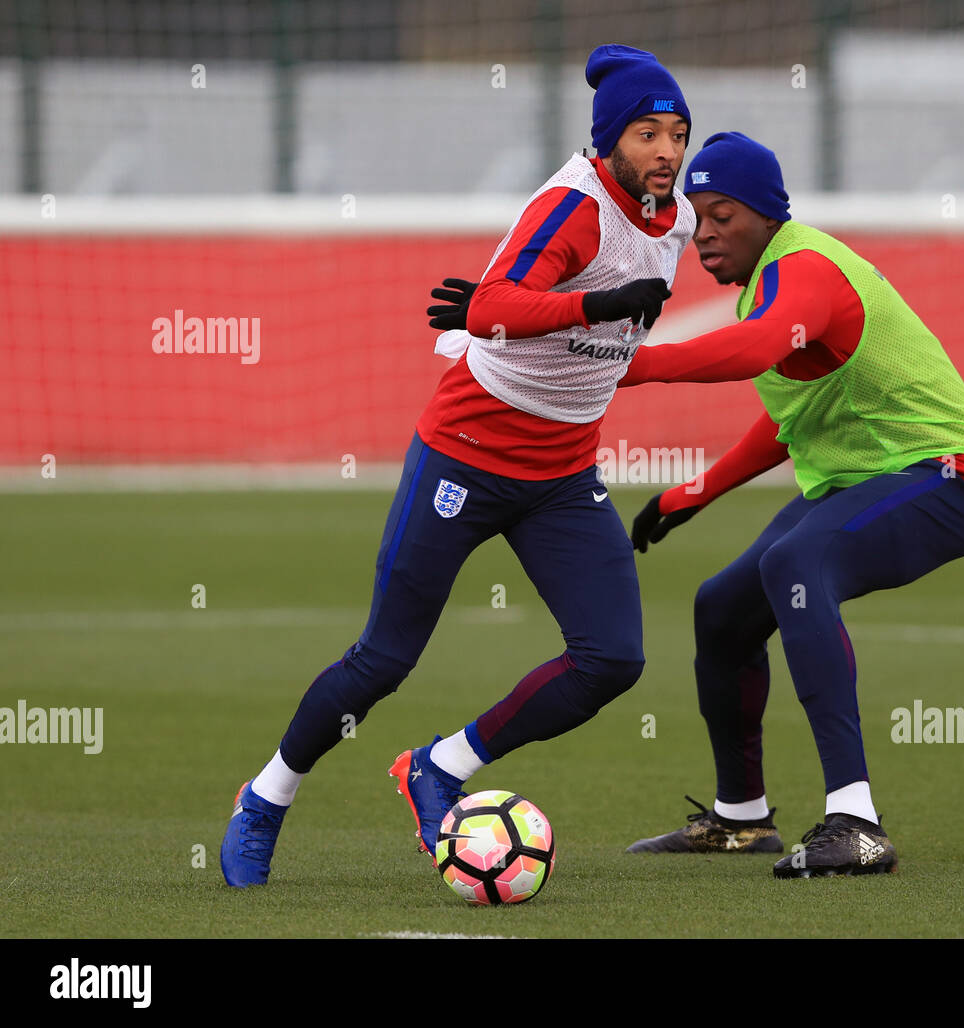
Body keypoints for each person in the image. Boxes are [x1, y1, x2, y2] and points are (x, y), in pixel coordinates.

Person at [220, 44, 696, 887]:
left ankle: (439, 766)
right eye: (648, 132)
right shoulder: (573, 207)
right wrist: (603, 301)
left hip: (562, 476)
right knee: (384, 661)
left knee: (614, 659)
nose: (666, 150)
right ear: (608, 139)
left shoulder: (681, 221)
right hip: (466, 457)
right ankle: (265, 798)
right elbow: (493, 305)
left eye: (678, 134)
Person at [617, 132, 964, 877]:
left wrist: (633, 365)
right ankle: (741, 818)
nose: (704, 233)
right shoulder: (767, 279)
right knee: (721, 609)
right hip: (864, 481)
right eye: (694, 216)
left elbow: (754, 348)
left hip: (955, 477)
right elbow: (788, 418)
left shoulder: (803, 269)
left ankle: (857, 824)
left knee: (797, 561)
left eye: (722, 213)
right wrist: (692, 493)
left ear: (766, 212)